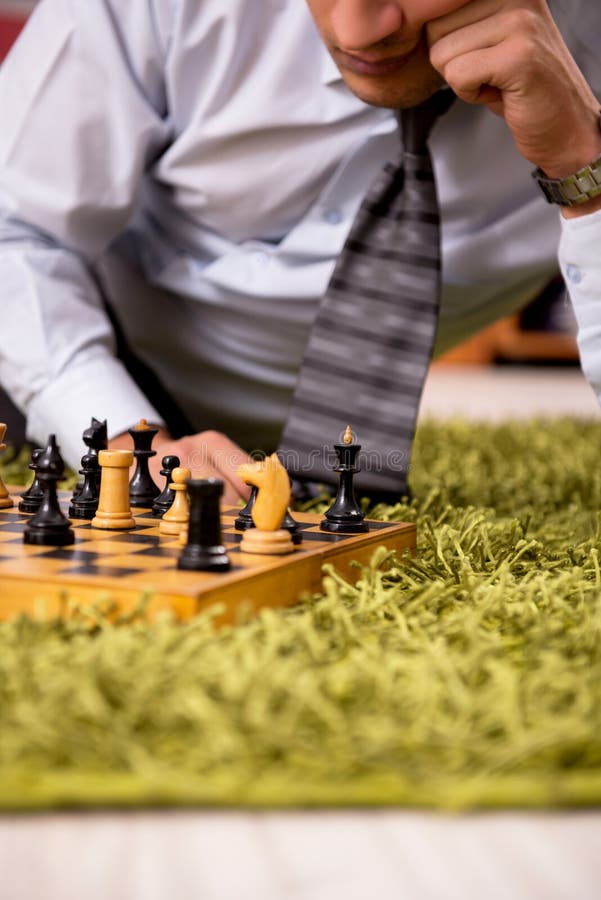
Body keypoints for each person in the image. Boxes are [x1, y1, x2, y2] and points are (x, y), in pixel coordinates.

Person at [0, 0, 600, 503]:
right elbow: (15, 228)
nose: (356, 31)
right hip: (52, 361)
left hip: (269, 457)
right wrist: (127, 444)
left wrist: (584, 166)